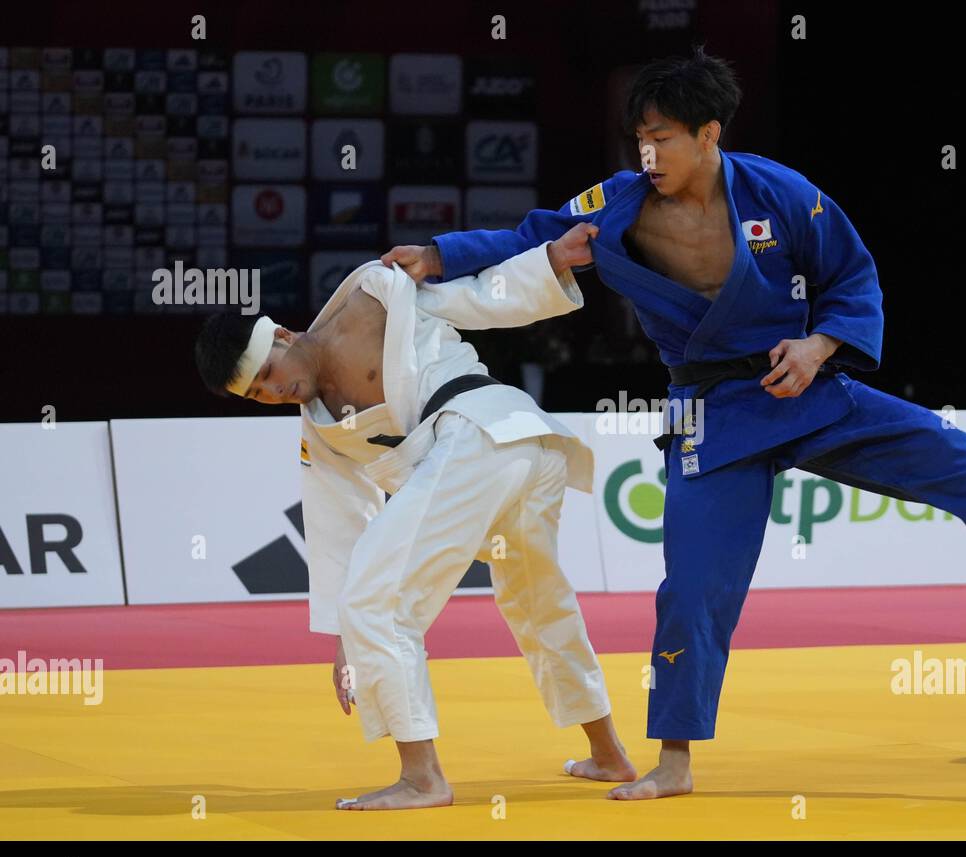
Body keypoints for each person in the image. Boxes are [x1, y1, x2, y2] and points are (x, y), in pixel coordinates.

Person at [381, 49, 966, 801]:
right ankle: (674, 761)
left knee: (951, 453)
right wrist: (438, 253)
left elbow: (852, 276)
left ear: (709, 136)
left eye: (663, 138)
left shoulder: (784, 195)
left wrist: (821, 342)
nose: (648, 153)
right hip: (712, 412)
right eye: (640, 138)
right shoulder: (617, 204)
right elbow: (531, 234)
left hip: (805, 387)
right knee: (693, 587)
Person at [194, 225, 635, 810]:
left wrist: (548, 260)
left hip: (487, 431)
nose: (273, 392)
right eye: (256, 396)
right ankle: (608, 754)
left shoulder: (374, 294)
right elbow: (337, 525)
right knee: (535, 599)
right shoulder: (319, 429)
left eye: (268, 374)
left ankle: (422, 777)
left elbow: (477, 297)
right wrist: (344, 641)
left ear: (280, 333)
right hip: (513, 455)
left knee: (379, 603)